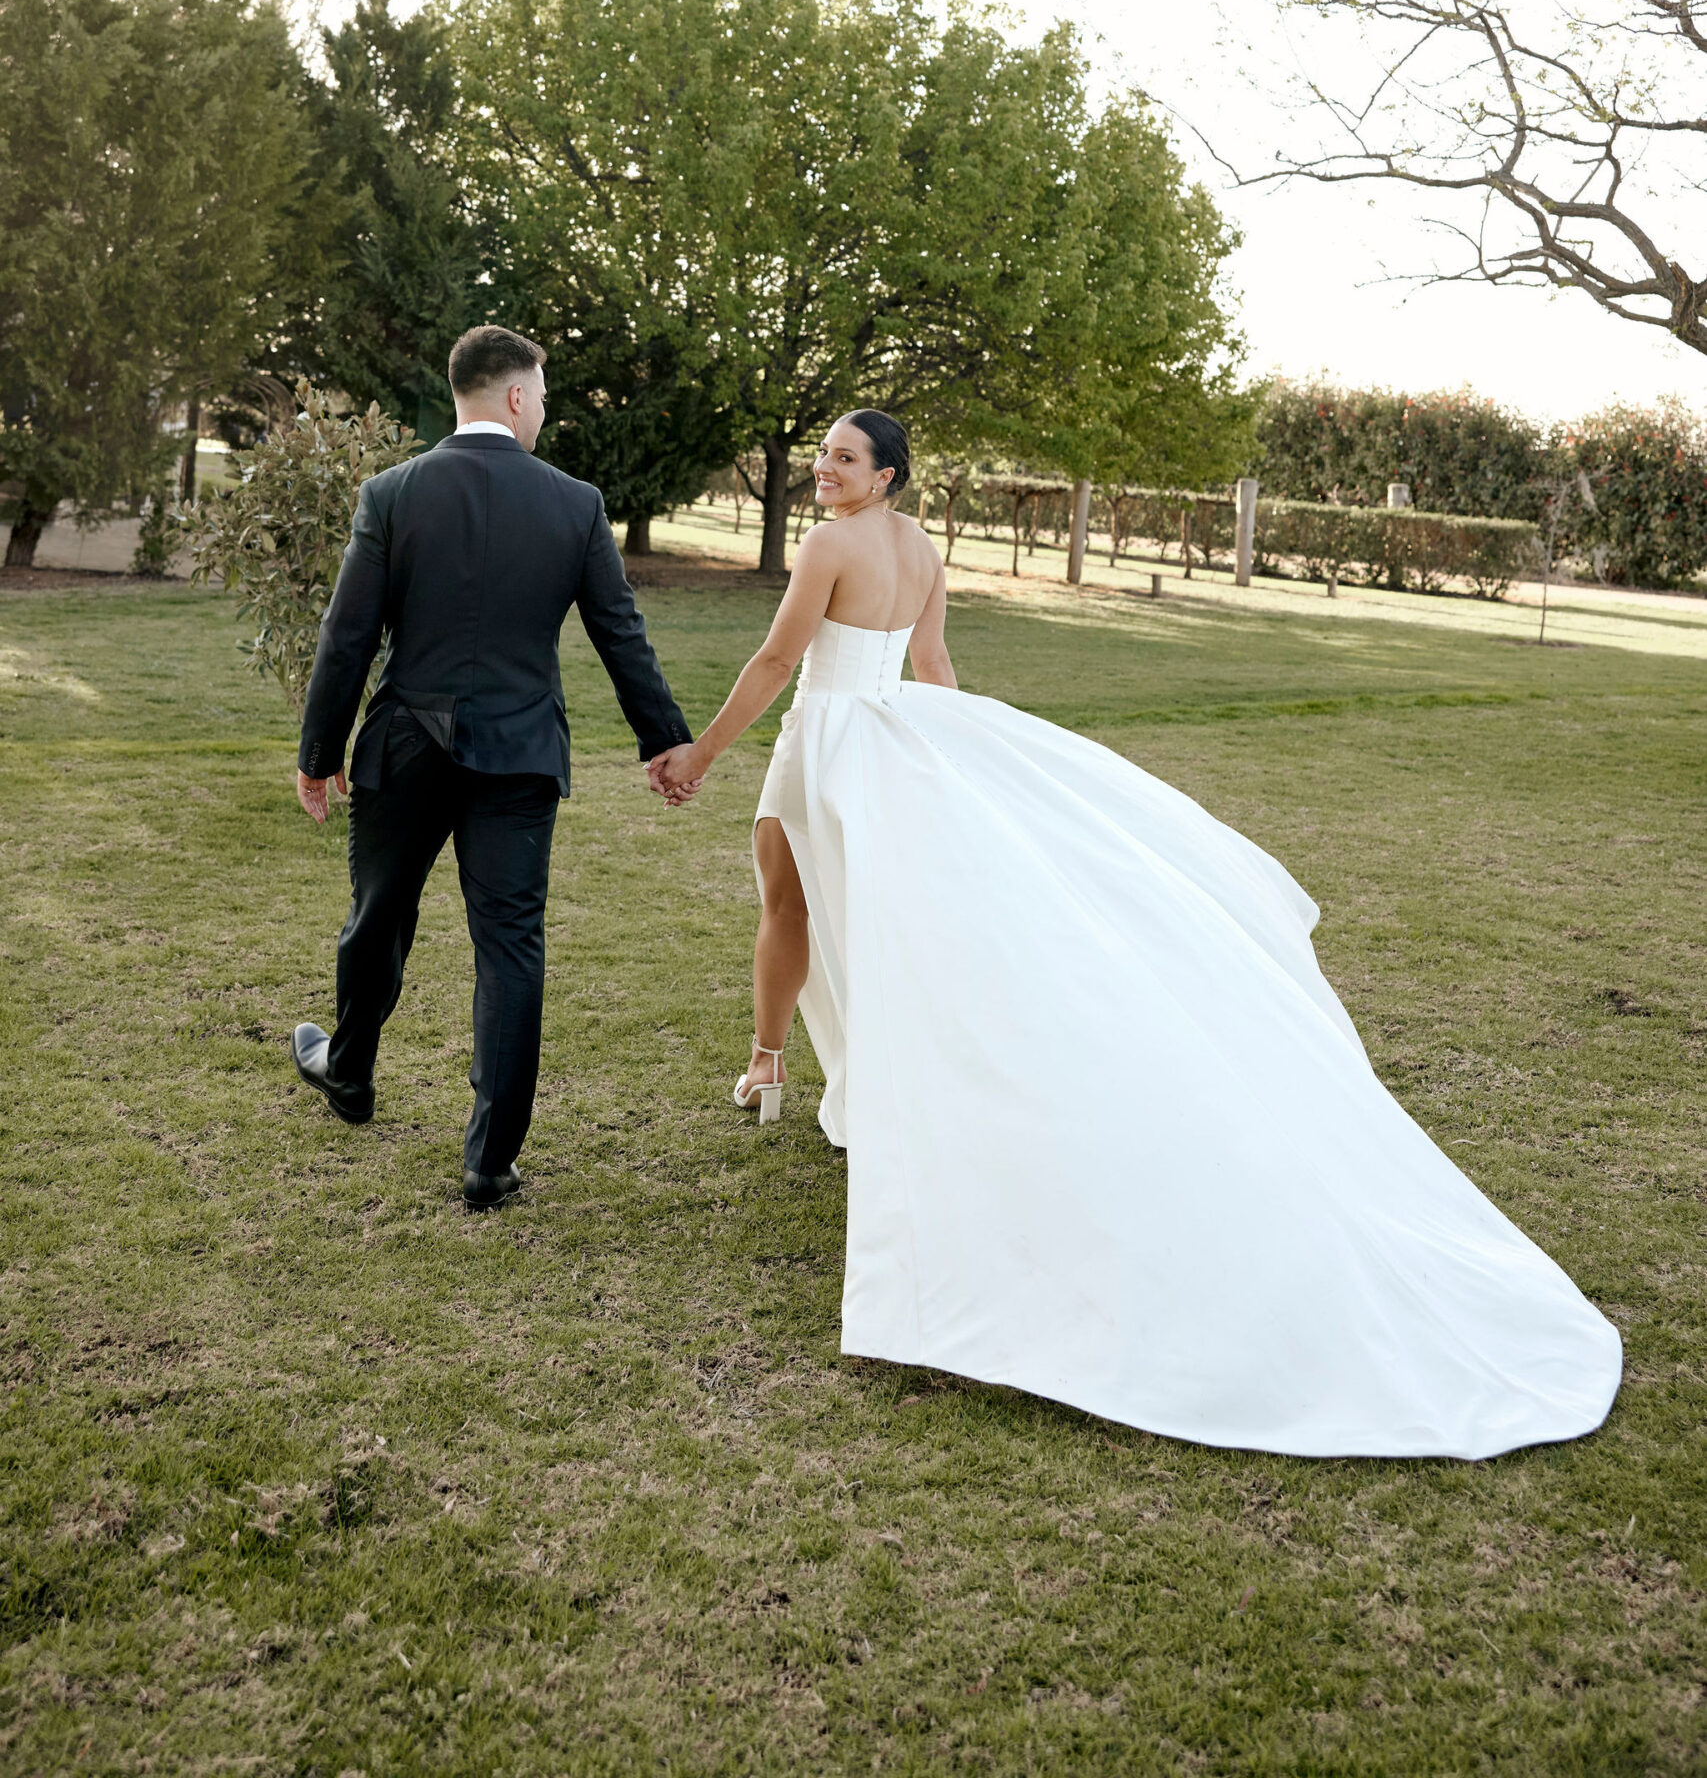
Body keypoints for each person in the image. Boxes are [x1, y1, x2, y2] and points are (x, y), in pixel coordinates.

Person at [648, 409, 1622, 1460]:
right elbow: (934, 669)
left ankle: (769, 1063)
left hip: (832, 741)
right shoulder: (923, 548)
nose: (826, 471)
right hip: (891, 742)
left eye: (845, 458)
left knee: (788, 904)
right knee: (890, 927)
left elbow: (777, 657)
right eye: (825, 457)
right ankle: (824, 1077)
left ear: (885, 474)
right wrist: (955, 768)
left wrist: (699, 755)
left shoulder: (832, 544)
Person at [291, 325, 694, 1208]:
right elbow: (618, 633)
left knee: (378, 915)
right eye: (542, 394)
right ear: (514, 396)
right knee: (510, 950)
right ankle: (488, 1163)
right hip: (518, 753)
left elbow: (347, 636)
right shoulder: (574, 503)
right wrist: (664, 739)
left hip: (405, 744)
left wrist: (318, 755)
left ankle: (349, 1073)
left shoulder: (391, 493)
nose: (544, 410)